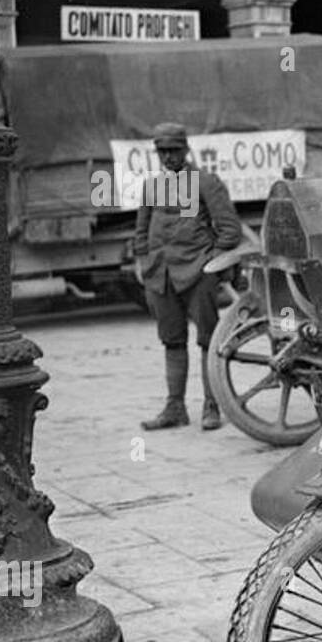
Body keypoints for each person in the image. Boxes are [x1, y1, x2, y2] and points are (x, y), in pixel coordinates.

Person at [134, 122, 242, 431]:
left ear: (186, 150)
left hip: (198, 275)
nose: (168, 157)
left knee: (209, 340)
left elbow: (229, 230)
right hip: (161, 276)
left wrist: (208, 263)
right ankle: (175, 407)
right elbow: (141, 231)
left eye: (174, 151)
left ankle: (212, 405)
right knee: (171, 341)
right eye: (162, 152)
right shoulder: (151, 186)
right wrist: (146, 261)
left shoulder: (204, 182)